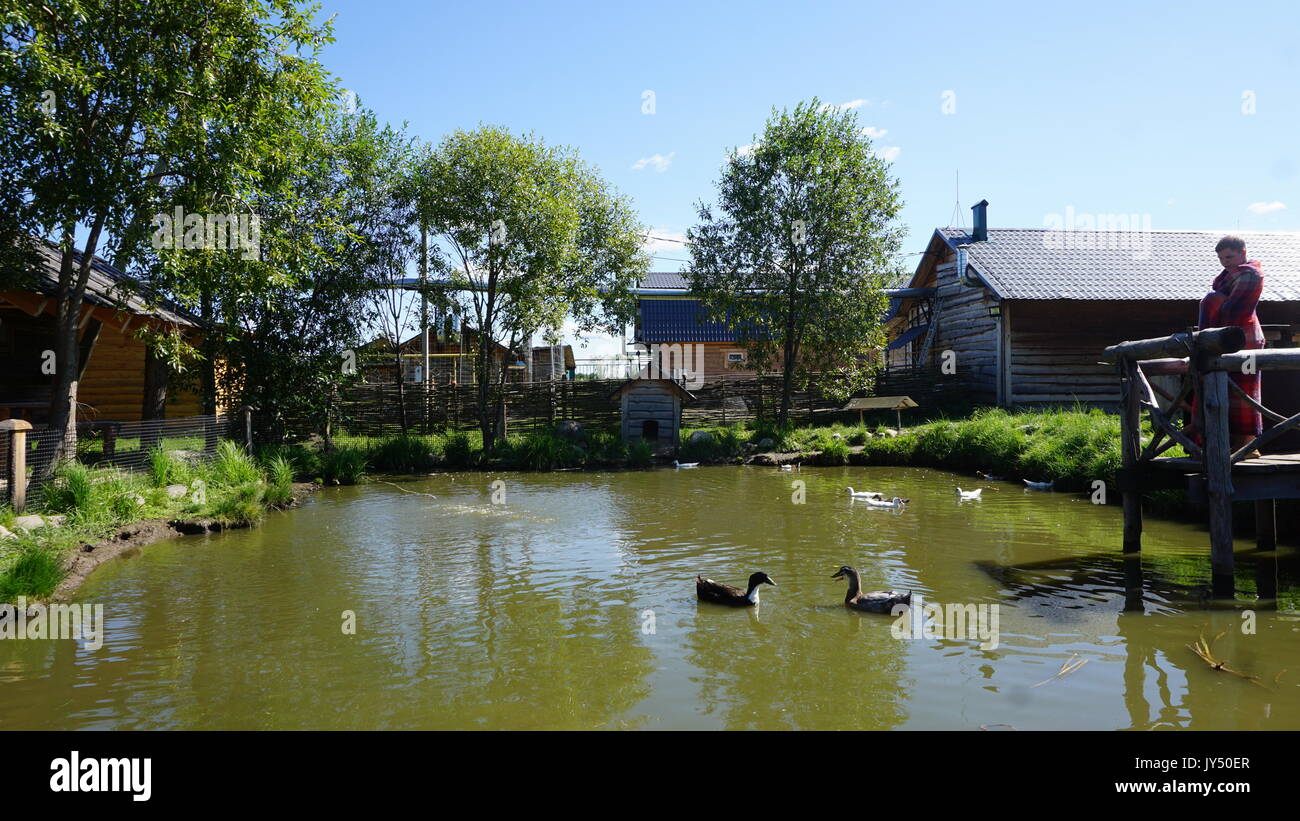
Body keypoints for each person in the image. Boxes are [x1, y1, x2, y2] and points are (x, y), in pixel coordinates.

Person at [1192, 236, 1264, 457]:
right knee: (1224, 388)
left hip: (1245, 338)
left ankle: (1250, 445)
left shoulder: (1250, 274)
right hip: (1224, 339)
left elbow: (1234, 309)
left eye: (1229, 256)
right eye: (1221, 258)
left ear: (1243, 253)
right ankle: (1232, 443)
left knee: (1245, 389)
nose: (1225, 262)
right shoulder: (1223, 277)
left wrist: (1209, 333)